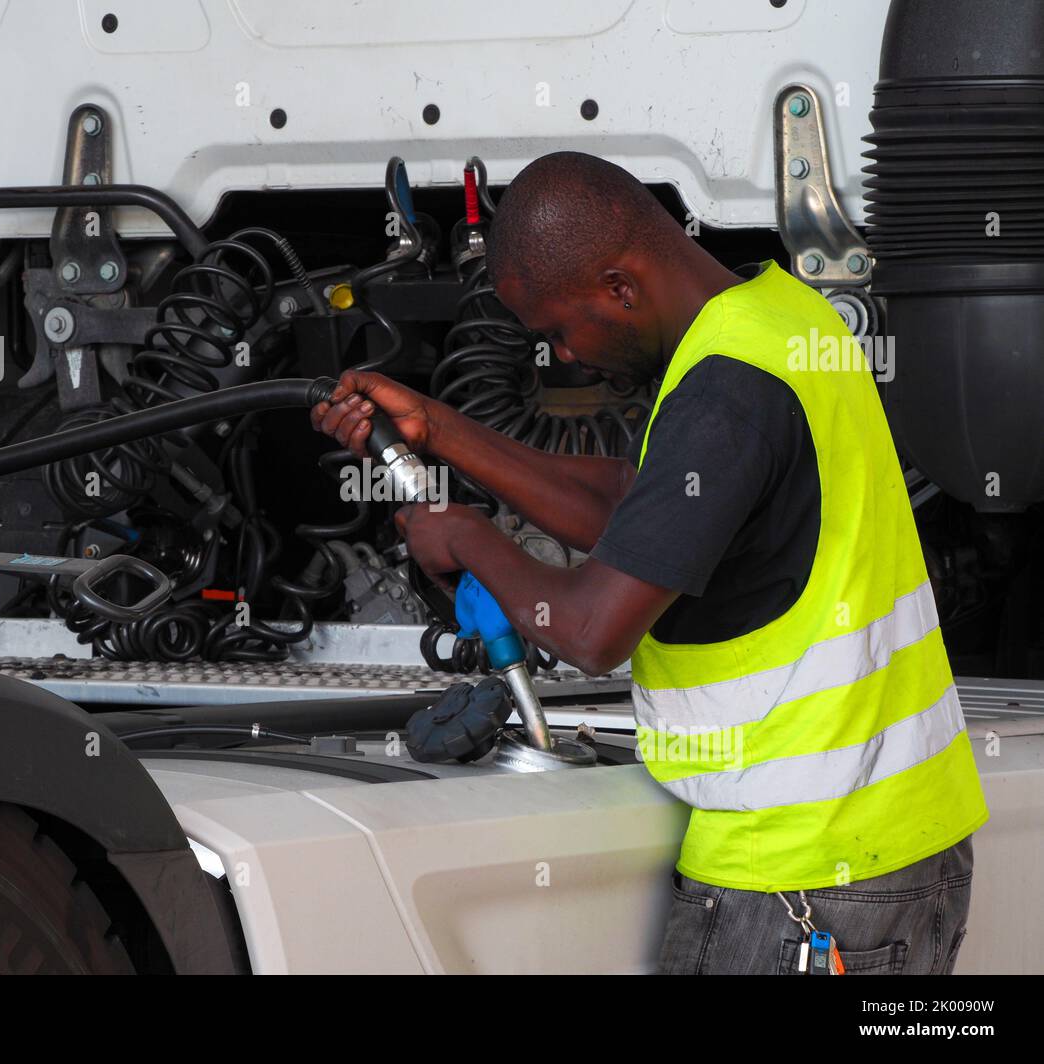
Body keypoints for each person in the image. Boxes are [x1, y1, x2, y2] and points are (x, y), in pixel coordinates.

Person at [311, 151, 987, 975]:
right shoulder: (782, 321)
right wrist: (441, 431)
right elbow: (644, 507)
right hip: (904, 851)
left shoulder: (725, 391)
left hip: (799, 878)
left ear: (620, 288)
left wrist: (467, 539)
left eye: (558, 330)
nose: (561, 356)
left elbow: (596, 630)